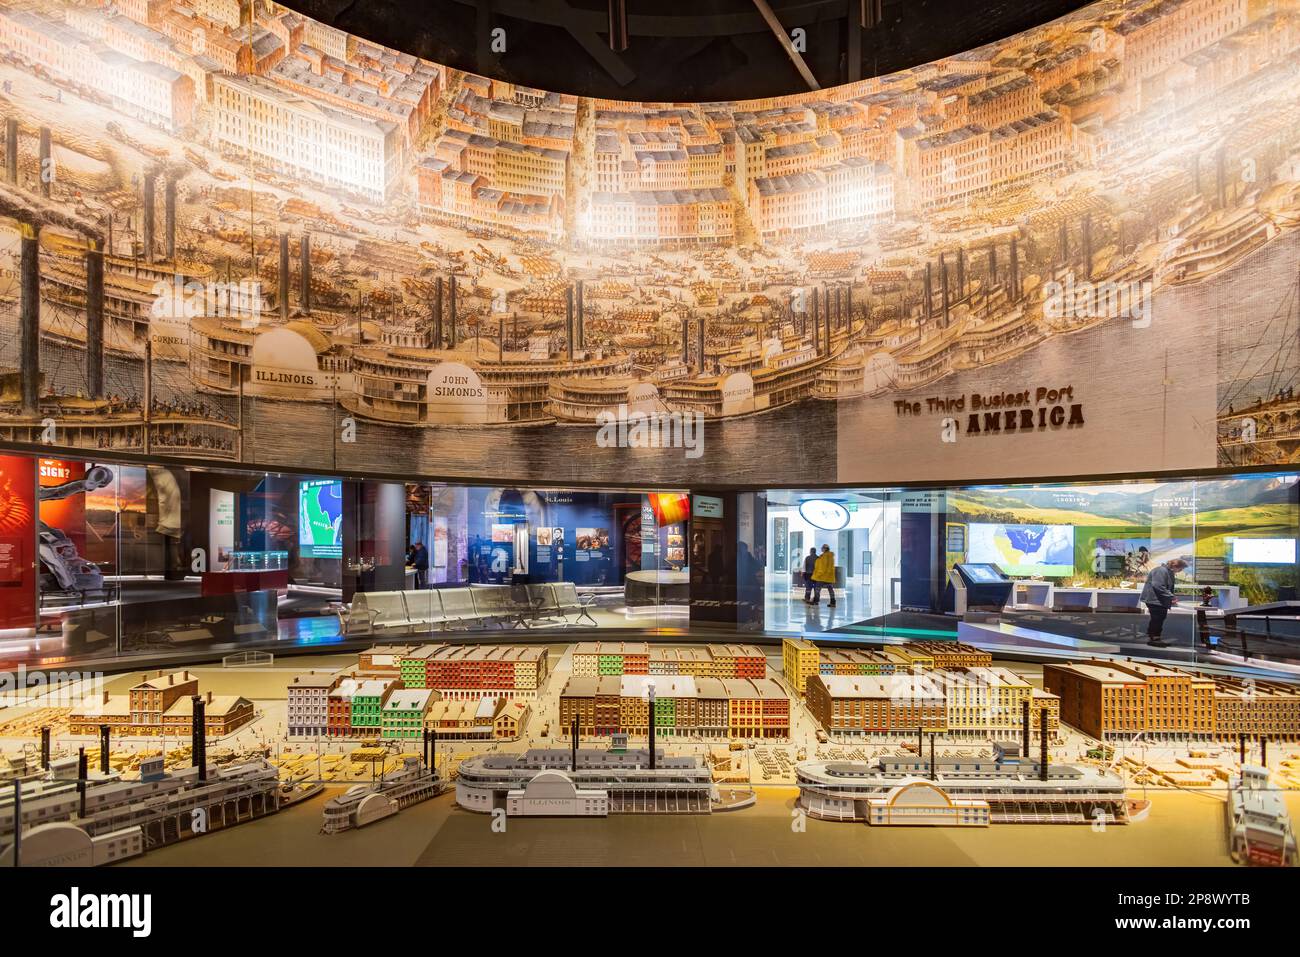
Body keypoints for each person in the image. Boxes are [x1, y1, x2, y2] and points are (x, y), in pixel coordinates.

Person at [1140, 558, 1187, 647]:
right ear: (1175, 566)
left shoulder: (1167, 571)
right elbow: (1158, 586)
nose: (1181, 571)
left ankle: (1153, 637)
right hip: (1155, 600)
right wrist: (1170, 596)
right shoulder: (1161, 571)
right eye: (1180, 568)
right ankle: (1154, 639)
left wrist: (1169, 597)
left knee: (1158, 619)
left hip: (1158, 600)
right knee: (1157, 619)